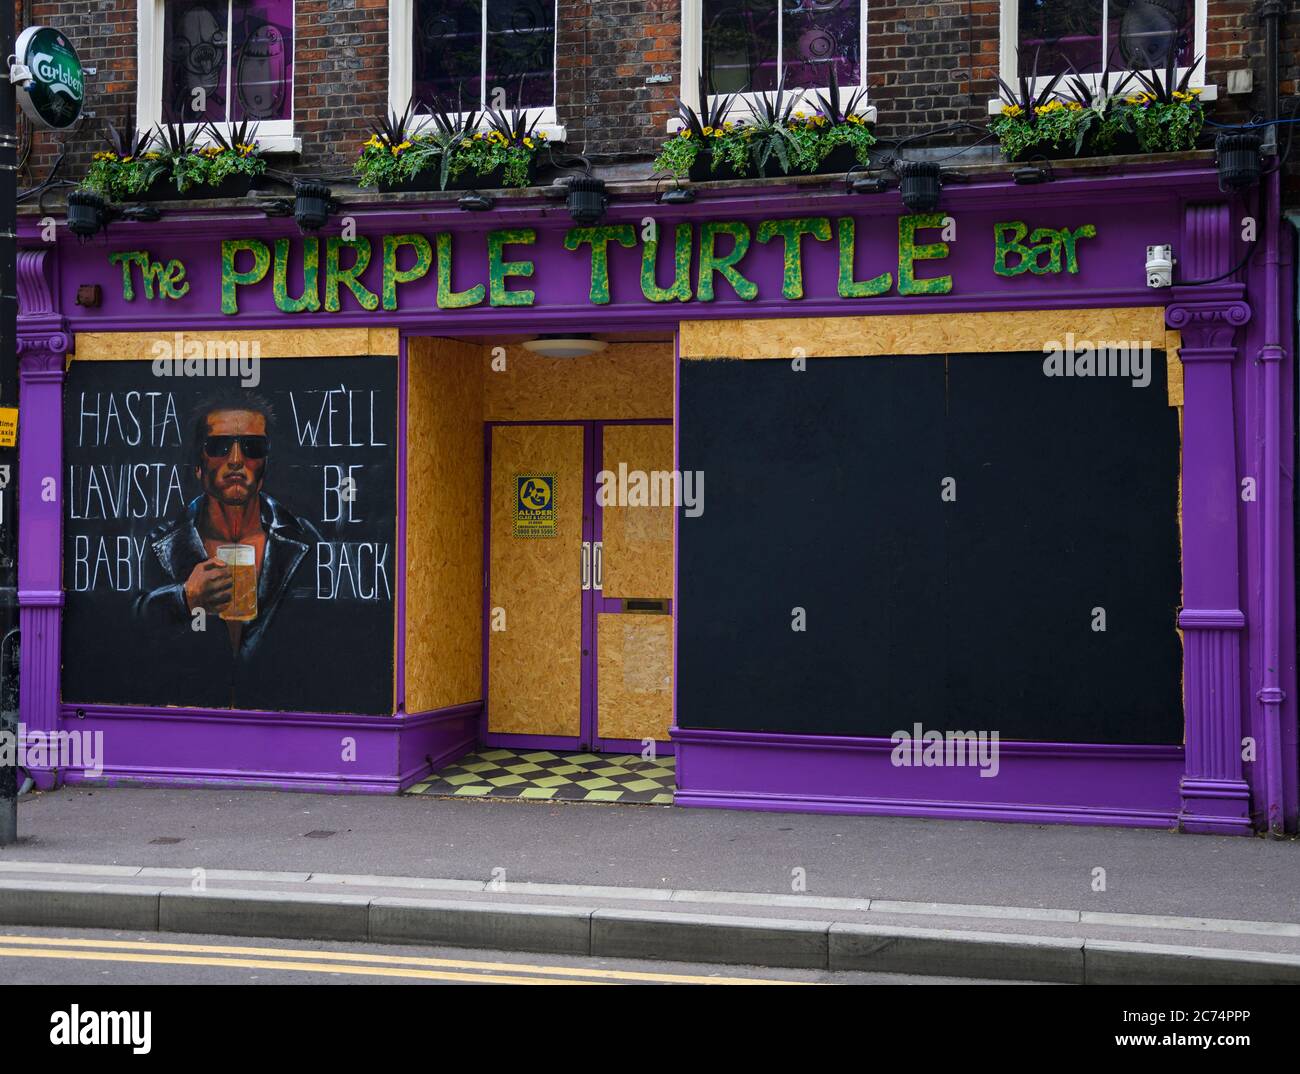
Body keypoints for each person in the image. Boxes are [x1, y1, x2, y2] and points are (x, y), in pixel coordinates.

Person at [133, 391, 322, 706]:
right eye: (219, 447)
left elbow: (331, 642)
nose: (236, 459)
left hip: (279, 725)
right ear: (198, 464)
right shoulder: (160, 546)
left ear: (265, 464)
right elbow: (122, 638)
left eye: (253, 447)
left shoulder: (304, 543)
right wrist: (184, 598)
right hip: (190, 726)